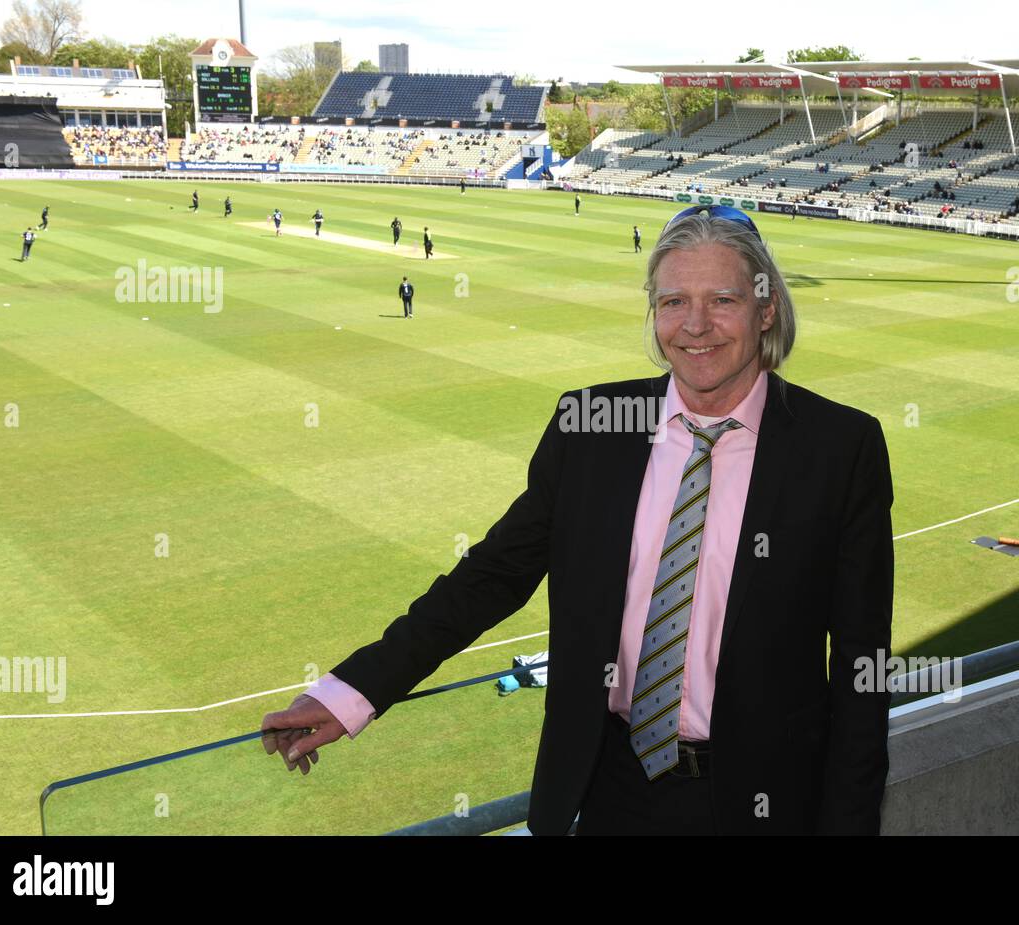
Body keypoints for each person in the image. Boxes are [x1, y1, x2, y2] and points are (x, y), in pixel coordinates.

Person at [261, 205, 896, 836]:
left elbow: (861, 674)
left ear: (766, 311)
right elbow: (492, 576)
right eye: (673, 302)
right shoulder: (591, 426)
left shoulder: (841, 448)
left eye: (722, 300)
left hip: (765, 801)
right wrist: (352, 693)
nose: (695, 325)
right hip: (610, 790)